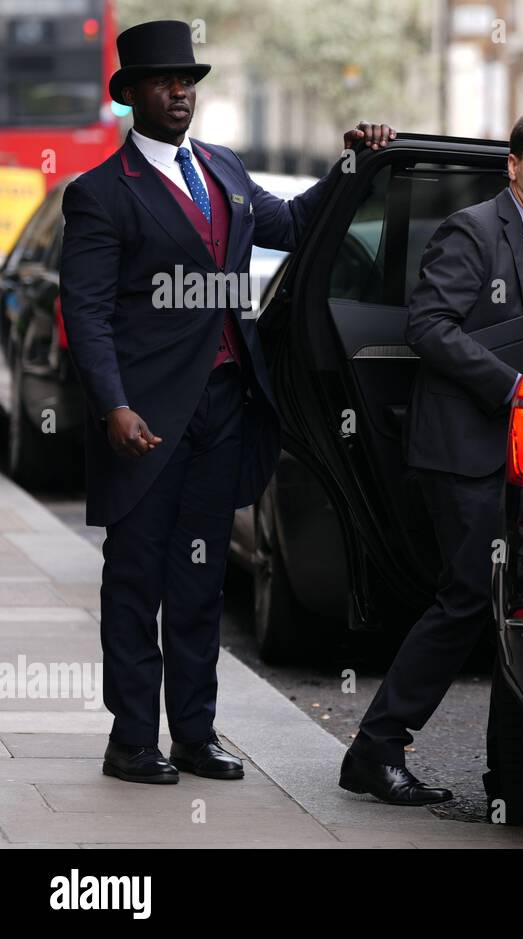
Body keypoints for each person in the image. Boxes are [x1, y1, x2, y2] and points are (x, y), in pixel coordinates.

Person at [59, 19, 394, 785]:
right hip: (143, 423)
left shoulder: (225, 170)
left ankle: (195, 735)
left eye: (189, 81)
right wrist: (112, 405)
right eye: (165, 82)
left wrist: (354, 160)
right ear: (133, 95)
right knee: (136, 582)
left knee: (201, 581)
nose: (181, 92)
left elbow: (297, 224)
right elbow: (87, 314)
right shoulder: (101, 194)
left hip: (223, 409)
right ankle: (132, 740)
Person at [339, 112, 523, 805]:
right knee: (468, 595)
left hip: (513, 456)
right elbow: (428, 327)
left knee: (506, 602)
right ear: (513, 166)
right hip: (461, 450)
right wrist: (514, 388)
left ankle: (510, 766)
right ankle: (377, 747)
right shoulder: (475, 229)